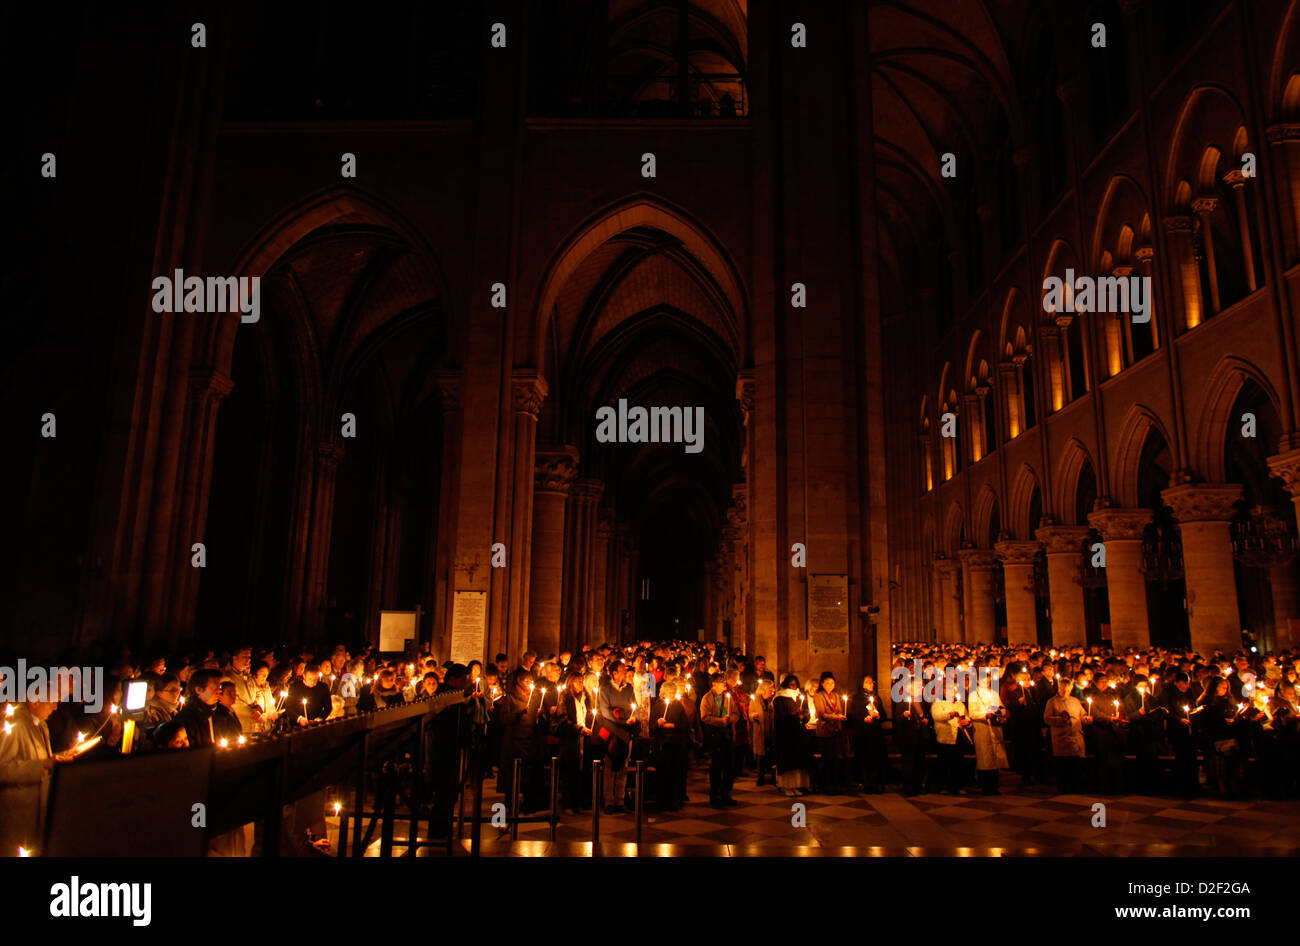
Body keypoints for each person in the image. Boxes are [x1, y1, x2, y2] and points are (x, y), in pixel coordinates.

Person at [596, 660, 638, 813]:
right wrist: (621, 721)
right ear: (614, 673)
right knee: (609, 767)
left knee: (623, 767)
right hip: (612, 731)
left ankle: (620, 800)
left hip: (626, 731)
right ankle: (608, 800)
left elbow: (635, 707)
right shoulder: (605, 689)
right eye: (622, 670)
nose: (625, 672)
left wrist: (633, 717)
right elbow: (606, 712)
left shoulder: (629, 689)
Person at [699, 672, 740, 807]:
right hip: (715, 736)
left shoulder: (727, 697)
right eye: (721, 682)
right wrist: (720, 721)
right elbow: (705, 717)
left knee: (729, 766)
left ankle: (726, 793)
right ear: (714, 684)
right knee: (716, 767)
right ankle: (715, 795)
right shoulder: (707, 698)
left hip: (727, 734)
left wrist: (730, 720)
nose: (724, 684)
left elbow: (735, 713)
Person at [1044, 675, 1087, 794]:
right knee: (1063, 765)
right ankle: (1063, 787)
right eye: (1063, 689)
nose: (1065, 692)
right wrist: (1060, 720)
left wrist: (1086, 719)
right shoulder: (1052, 702)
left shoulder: (1075, 701)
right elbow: (1047, 718)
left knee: (1075, 763)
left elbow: (1082, 715)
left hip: (1075, 736)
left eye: (1068, 690)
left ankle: (1075, 786)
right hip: (1061, 737)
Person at [558, 672, 594, 813]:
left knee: (583, 770)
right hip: (570, 739)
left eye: (582, 681)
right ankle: (568, 803)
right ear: (571, 682)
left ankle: (580, 802)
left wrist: (589, 726)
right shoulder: (565, 697)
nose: (581, 684)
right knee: (569, 770)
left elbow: (591, 714)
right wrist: (577, 728)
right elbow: (562, 718)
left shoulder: (586, 697)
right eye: (577, 681)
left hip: (584, 739)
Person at [651, 680, 689, 810]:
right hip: (662, 745)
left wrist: (674, 725)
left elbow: (685, 725)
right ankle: (662, 800)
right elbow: (652, 727)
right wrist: (658, 723)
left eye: (674, 693)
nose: (672, 695)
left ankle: (674, 799)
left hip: (676, 744)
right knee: (663, 773)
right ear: (664, 694)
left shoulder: (678, 706)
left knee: (675, 772)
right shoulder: (658, 706)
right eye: (670, 693)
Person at [967, 672, 1007, 795]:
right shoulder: (974, 694)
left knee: (994, 757)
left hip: (994, 728)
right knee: (985, 758)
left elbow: (1002, 707)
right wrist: (985, 715)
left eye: (989, 681)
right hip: (982, 728)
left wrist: (1000, 712)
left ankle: (995, 785)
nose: (988, 683)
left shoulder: (993, 693)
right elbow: (973, 713)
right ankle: (985, 786)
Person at [771, 675, 811, 797]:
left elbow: (806, 712)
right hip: (786, 735)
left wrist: (804, 717)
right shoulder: (780, 698)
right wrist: (794, 717)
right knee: (787, 762)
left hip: (798, 734)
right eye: (791, 684)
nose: (794, 686)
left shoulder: (800, 697)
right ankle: (787, 786)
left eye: (795, 684)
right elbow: (780, 717)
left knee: (796, 762)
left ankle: (795, 786)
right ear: (786, 684)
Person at [847, 675, 886, 793]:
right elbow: (854, 716)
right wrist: (864, 719)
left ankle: (875, 783)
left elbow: (883, 715)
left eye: (872, 682)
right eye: (868, 682)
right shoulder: (856, 698)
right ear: (862, 684)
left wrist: (878, 716)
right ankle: (865, 783)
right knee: (864, 758)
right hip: (863, 734)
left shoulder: (876, 698)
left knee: (875, 758)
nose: (871, 684)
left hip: (875, 734)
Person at [932, 680, 970, 794]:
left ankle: (957, 786)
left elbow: (966, 716)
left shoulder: (959, 704)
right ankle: (943, 786)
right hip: (945, 736)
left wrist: (967, 722)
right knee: (944, 762)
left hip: (958, 736)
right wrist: (950, 715)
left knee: (958, 762)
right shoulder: (938, 703)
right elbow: (937, 716)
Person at [749, 679, 774, 786]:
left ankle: (773, 777)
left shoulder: (772, 701)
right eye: (770, 690)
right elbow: (750, 713)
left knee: (771, 754)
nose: (772, 692)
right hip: (760, 730)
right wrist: (753, 716)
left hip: (771, 730)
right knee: (760, 754)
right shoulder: (755, 700)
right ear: (763, 690)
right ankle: (760, 777)